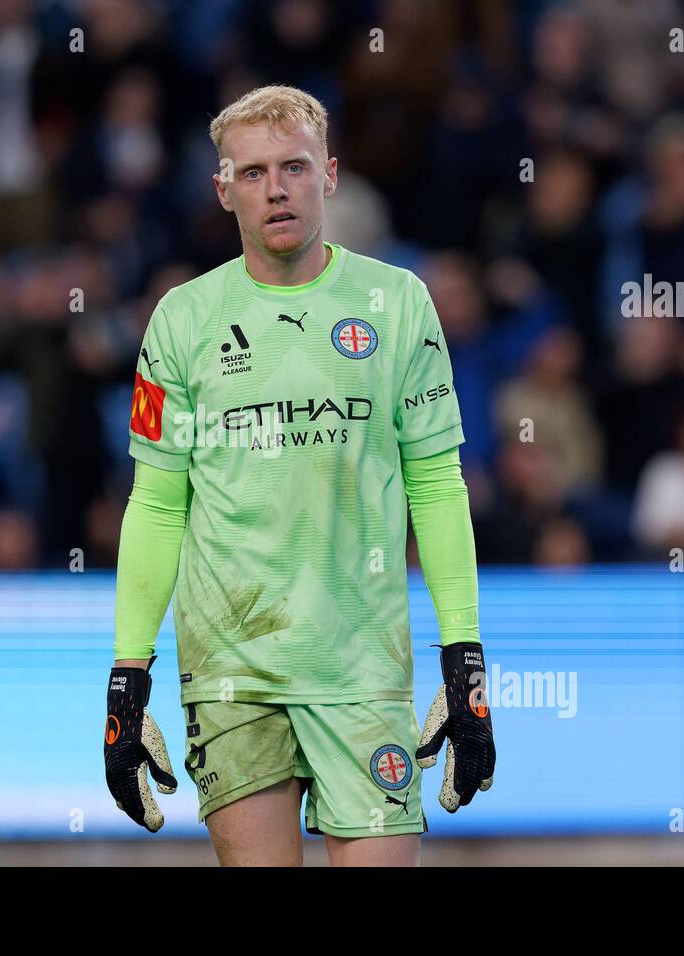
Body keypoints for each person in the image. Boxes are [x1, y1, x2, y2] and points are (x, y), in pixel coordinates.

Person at [103, 86, 496, 867]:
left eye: (294, 167)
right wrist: (127, 674)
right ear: (223, 190)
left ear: (331, 175)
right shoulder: (182, 319)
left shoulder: (397, 303)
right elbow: (155, 503)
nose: (275, 188)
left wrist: (466, 659)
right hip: (230, 673)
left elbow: (437, 487)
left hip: (362, 666)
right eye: (251, 173)